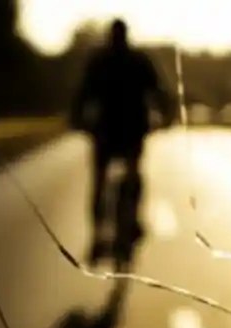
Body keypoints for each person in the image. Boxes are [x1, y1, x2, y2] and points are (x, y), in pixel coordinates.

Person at [71, 19, 171, 262]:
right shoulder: (138, 60)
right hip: (131, 129)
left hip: (106, 131)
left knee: (100, 181)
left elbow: (83, 93)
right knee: (133, 174)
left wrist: (77, 119)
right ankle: (131, 220)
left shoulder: (100, 60)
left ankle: (97, 236)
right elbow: (158, 91)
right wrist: (167, 116)